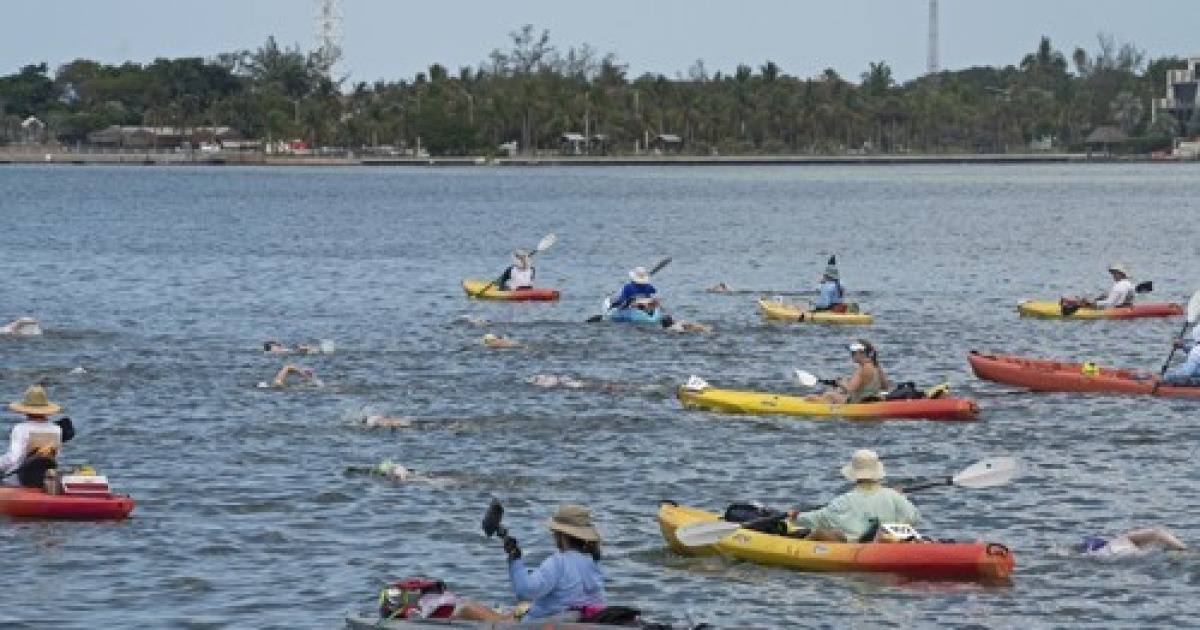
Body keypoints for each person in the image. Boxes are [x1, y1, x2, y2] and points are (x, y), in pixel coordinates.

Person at [454, 504, 607, 622]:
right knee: (518, 610)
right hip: (571, 620)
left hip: (540, 625)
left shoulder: (559, 562)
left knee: (466, 609)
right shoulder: (592, 563)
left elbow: (525, 591)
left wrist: (514, 558)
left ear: (561, 535)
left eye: (554, 534)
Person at [786, 449, 921, 542]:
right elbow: (914, 517)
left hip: (856, 547)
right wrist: (900, 497)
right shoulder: (893, 496)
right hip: (885, 543)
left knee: (819, 532)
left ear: (854, 474)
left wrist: (795, 516)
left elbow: (818, 518)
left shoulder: (843, 501)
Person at [1, 385, 75, 487]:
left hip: (19, 479)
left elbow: (13, 459)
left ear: (26, 409)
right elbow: (55, 457)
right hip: (45, 479)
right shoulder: (57, 429)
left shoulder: (21, 429)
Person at [806, 340, 890, 404]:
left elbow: (850, 389)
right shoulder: (877, 367)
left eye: (853, 353)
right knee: (830, 395)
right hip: (872, 400)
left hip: (857, 403)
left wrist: (840, 383)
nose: (851, 355)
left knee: (812, 397)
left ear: (862, 353)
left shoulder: (861, 370)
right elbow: (885, 387)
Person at [1079, 527, 1187, 556]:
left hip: (1107, 550)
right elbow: (1157, 533)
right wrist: (1184, 549)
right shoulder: (1125, 542)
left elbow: (1157, 533)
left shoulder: (1125, 543)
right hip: (1112, 549)